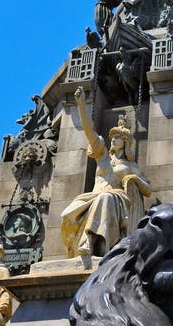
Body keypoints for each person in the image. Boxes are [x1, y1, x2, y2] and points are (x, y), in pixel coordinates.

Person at [60, 87, 151, 258]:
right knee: (68, 213)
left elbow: (148, 190)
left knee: (106, 198)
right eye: (112, 138)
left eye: (117, 137)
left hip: (117, 199)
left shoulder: (131, 166)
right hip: (93, 198)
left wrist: (134, 179)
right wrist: (81, 105)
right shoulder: (102, 157)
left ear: (125, 142)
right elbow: (89, 131)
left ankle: (88, 242)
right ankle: (87, 241)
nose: (113, 140)